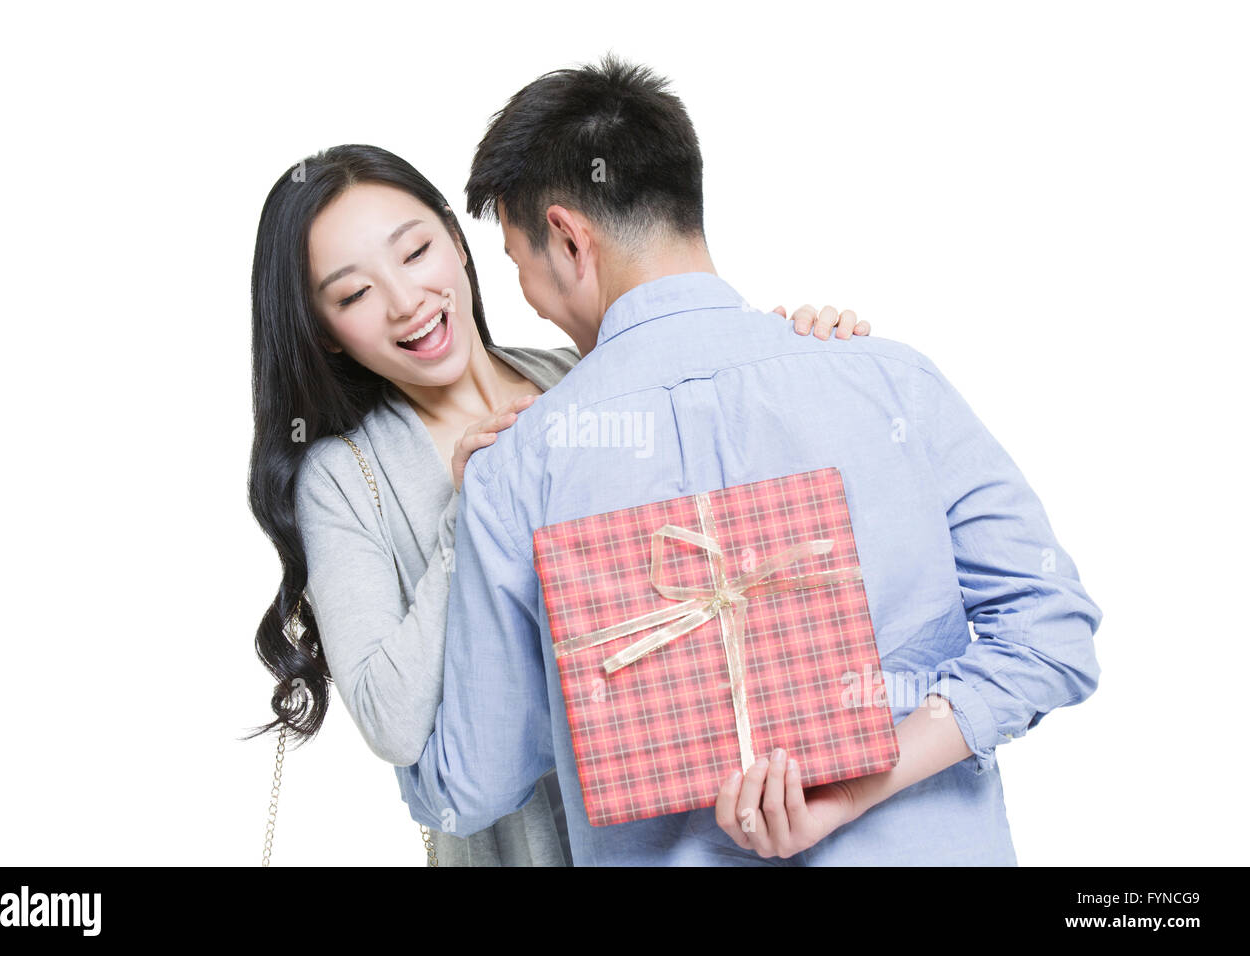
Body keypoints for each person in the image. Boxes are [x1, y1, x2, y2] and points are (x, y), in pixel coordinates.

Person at [400, 56, 1104, 866]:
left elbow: (472, 784)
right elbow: (1051, 633)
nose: (532, 299)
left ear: (567, 237)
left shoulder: (517, 469)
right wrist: (859, 788)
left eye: (522, 268)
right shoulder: (884, 377)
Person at [246, 143, 870, 865]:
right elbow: (390, 720)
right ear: (324, 333)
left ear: (457, 240)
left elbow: (726, 558)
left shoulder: (582, 371)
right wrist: (472, 511)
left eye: (415, 252)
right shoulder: (345, 476)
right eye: (353, 295)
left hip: (696, 835)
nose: (405, 301)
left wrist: (795, 356)